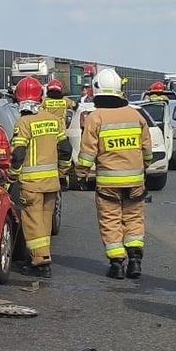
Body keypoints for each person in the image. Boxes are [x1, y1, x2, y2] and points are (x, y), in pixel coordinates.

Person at [74, 67, 151, 279]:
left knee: (111, 221)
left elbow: (87, 154)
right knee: (134, 219)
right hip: (135, 181)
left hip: (108, 183)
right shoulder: (136, 115)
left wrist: (80, 175)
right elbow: (147, 150)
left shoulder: (95, 117)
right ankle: (135, 261)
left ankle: (117, 264)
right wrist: (144, 168)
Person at [10, 76, 65, 277]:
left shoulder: (24, 122)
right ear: (41, 97)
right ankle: (42, 256)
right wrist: (63, 171)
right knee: (44, 222)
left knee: (33, 223)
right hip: (51, 183)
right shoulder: (54, 120)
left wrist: (12, 176)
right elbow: (66, 149)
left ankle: (40, 263)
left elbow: (18, 154)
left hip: (32, 184)